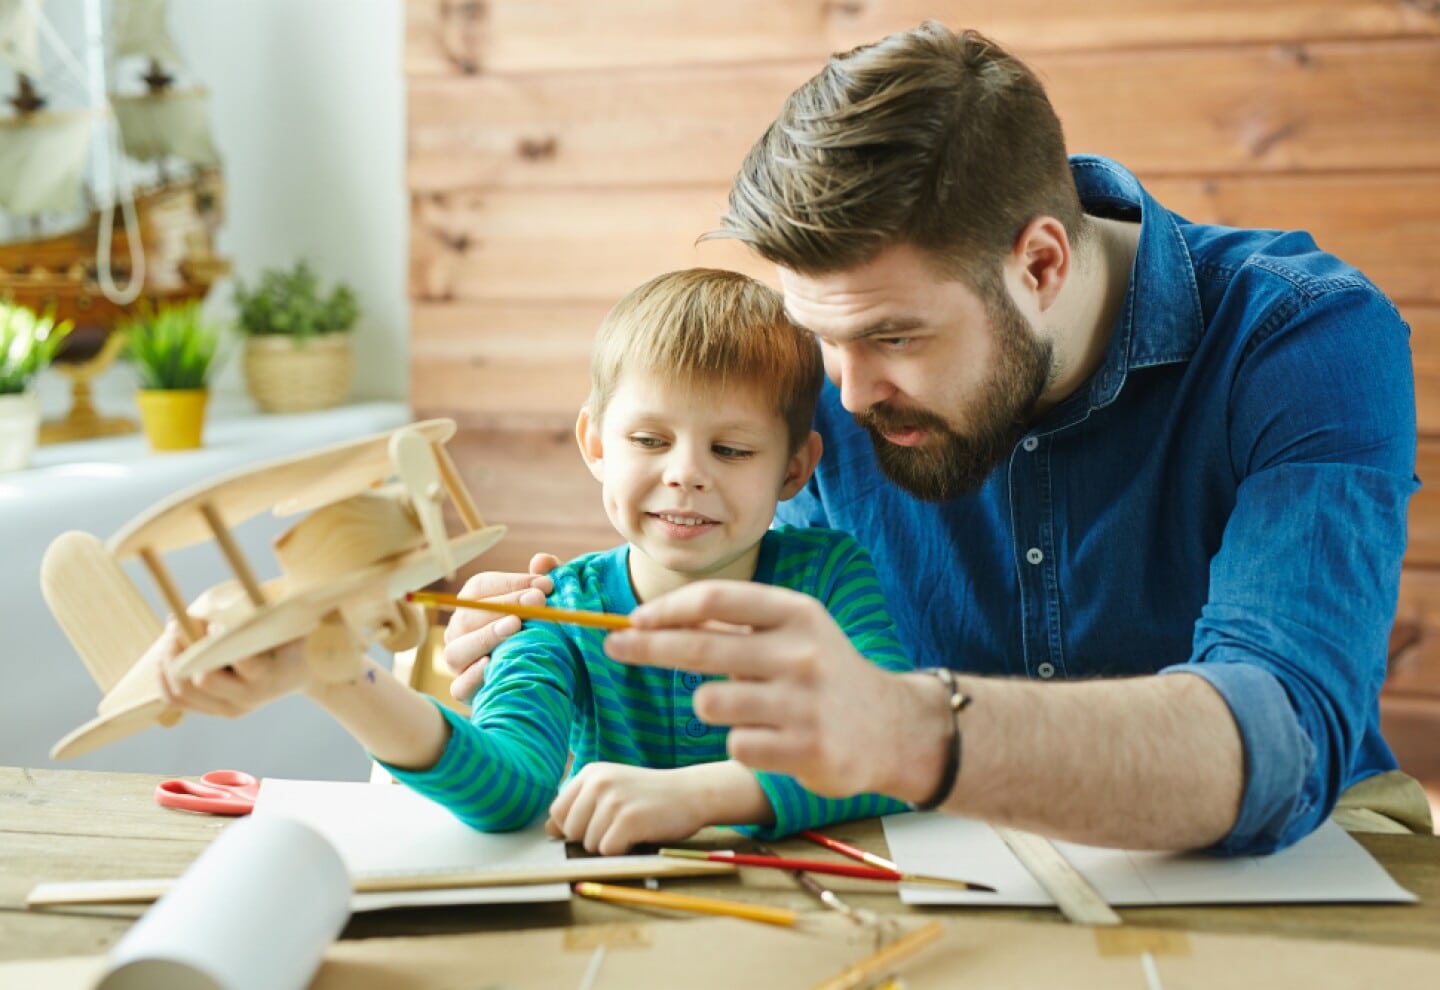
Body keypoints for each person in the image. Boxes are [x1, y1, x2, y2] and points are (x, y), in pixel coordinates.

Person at [445, 23, 1431, 855]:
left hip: (1298, 865)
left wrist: (916, 731)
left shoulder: (1304, 339)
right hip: (926, 856)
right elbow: (736, 652)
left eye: (894, 336)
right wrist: (547, 642)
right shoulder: (833, 375)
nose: (848, 390)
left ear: (1040, 262)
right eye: (822, 335)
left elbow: (1286, 739)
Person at [157, 268, 913, 854]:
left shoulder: (830, 577)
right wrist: (335, 679)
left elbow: (897, 747)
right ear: (595, 444)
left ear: (793, 470)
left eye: (732, 449)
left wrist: (704, 795)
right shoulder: (551, 610)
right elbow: (510, 792)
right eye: (649, 441)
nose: (685, 472)